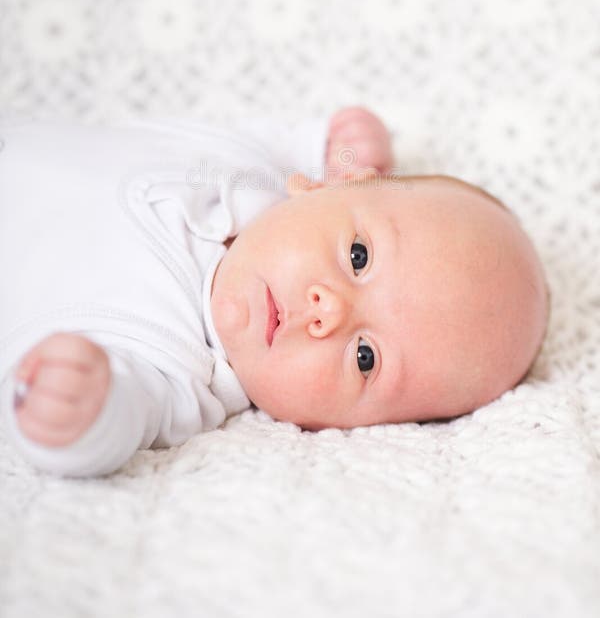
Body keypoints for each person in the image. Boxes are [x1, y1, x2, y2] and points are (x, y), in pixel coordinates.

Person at [0, 107, 549, 476]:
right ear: (322, 189)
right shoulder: (260, 172)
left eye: (365, 358)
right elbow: (314, 142)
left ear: (334, 428)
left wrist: (78, 413)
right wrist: (345, 146)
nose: (327, 310)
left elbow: (120, 420)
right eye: (358, 256)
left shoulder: (183, 379)